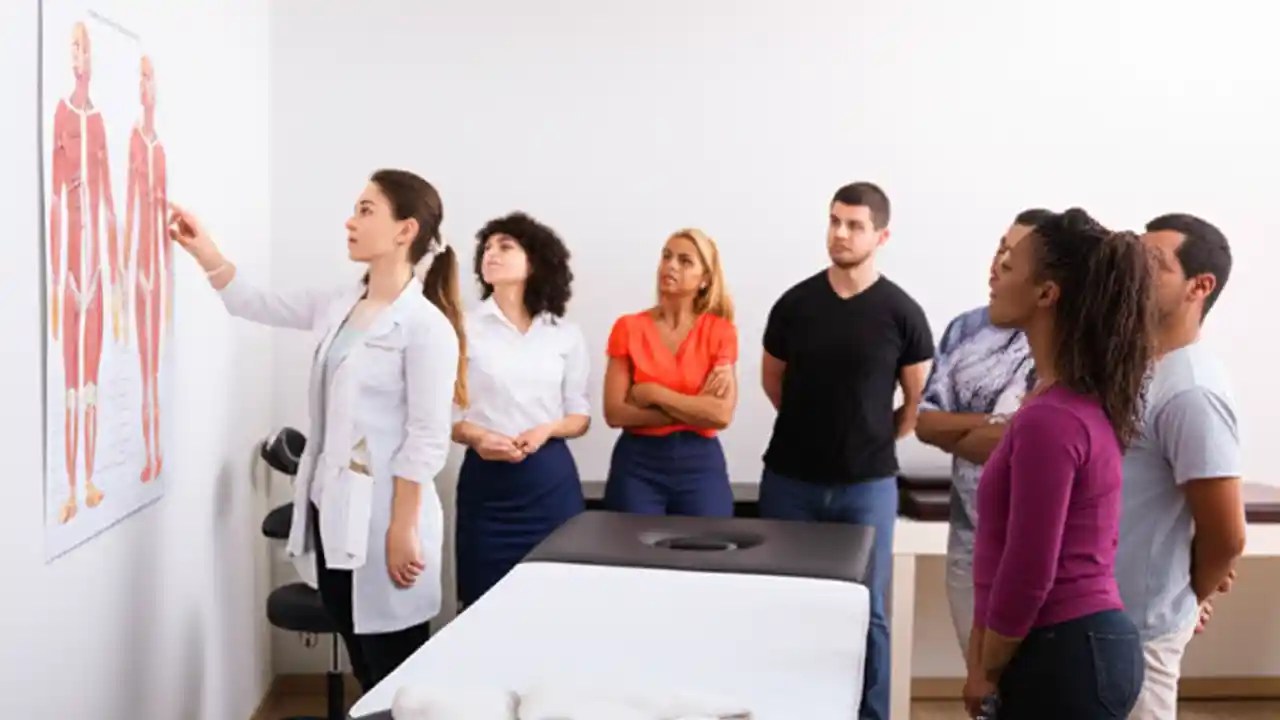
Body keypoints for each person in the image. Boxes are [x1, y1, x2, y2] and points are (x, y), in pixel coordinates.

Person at [165, 169, 467, 692]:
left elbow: (426, 439)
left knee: (395, 675)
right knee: (362, 664)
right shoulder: (341, 303)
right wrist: (206, 252)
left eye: (366, 210)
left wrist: (402, 527)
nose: (350, 221)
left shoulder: (425, 327)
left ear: (405, 230)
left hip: (383, 524)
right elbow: (253, 303)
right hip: (332, 517)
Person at [964, 208, 1157, 719]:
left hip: (1066, 652)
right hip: (1067, 646)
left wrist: (988, 667)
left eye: (1008, 264)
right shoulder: (1055, 403)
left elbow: (1029, 568)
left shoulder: (1052, 418)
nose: (994, 273)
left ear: (1047, 292)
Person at [759, 181, 933, 720]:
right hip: (790, 481)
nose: (840, 233)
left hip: (868, 486)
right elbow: (775, 385)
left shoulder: (901, 312)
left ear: (881, 235)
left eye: (854, 225)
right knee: (788, 605)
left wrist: (875, 437)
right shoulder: (795, 304)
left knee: (869, 611)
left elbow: (915, 399)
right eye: (834, 221)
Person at [1115, 213, 1245, 719]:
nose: (1136, 274)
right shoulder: (1143, 368)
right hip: (1105, 621)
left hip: (1143, 631)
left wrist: (1185, 599)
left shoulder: (1192, 389)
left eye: (1155, 264)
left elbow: (1227, 536)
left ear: (1200, 286)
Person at [915, 208, 1051, 655]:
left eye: (1014, 255)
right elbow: (927, 422)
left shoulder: (1064, 343)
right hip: (970, 536)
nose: (999, 262)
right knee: (979, 680)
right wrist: (999, 425)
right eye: (1000, 247)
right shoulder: (966, 329)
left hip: (1035, 546)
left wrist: (999, 432)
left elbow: (1033, 441)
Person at [451, 212, 591, 608]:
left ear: (536, 261)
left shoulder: (564, 334)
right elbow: (444, 415)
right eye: (487, 247)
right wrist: (477, 436)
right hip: (487, 485)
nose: (491, 254)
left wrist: (546, 430)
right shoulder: (460, 327)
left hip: (550, 483)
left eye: (505, 246)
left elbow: (579, 415)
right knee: (481, 603)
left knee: (556, 601)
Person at [602, 228, 737, 516]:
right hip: (638, 464)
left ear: (704, 280)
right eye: (666, 257)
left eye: (685, 261)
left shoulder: (719, 331)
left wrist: (653, 393)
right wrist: (692, 412)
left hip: (700, 465)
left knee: (708, 554)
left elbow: (720, 415)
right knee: (632, 555)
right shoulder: (628, 327)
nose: (670, 266)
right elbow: (614, 412)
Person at [48, 20, 119, 523]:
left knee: (90, 383)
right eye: (74, 47)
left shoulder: (98, 121)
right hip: (71, 271)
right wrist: (57, 277)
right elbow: (56, 197)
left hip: (96, 271)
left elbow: (110, 204)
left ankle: (88, 478)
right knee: (71, 385)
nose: (80, 55)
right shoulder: (62, 114)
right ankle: (68, 485)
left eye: (84, 47)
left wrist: (112, 277)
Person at [125, 54, 169, 483]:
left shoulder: (159, 149)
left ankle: (155, 455)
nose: (145, 87)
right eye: (141, 79)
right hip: (141, 270)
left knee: (156, 370)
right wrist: (127, 268)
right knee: (145, 370)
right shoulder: (136, 141)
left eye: (149, 79)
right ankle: (148, 456)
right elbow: (132, 210)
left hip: (158, 270)